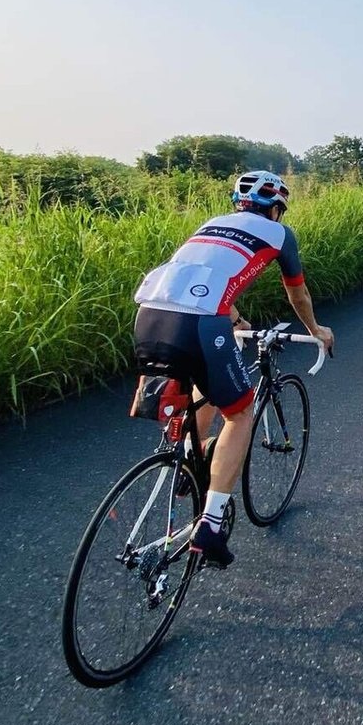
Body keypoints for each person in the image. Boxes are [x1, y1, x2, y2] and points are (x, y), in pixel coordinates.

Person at [132, 170, 334, 567]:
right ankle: (210, 523)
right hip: (201, 322)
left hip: (150, 315)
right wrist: (316, 329)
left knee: (203, 387)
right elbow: (298, 292)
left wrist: (236, 320)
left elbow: (198, 275)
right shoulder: (280, 234)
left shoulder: (211, 225)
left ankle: (189, 459)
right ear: (276, 208)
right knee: (239, 413)